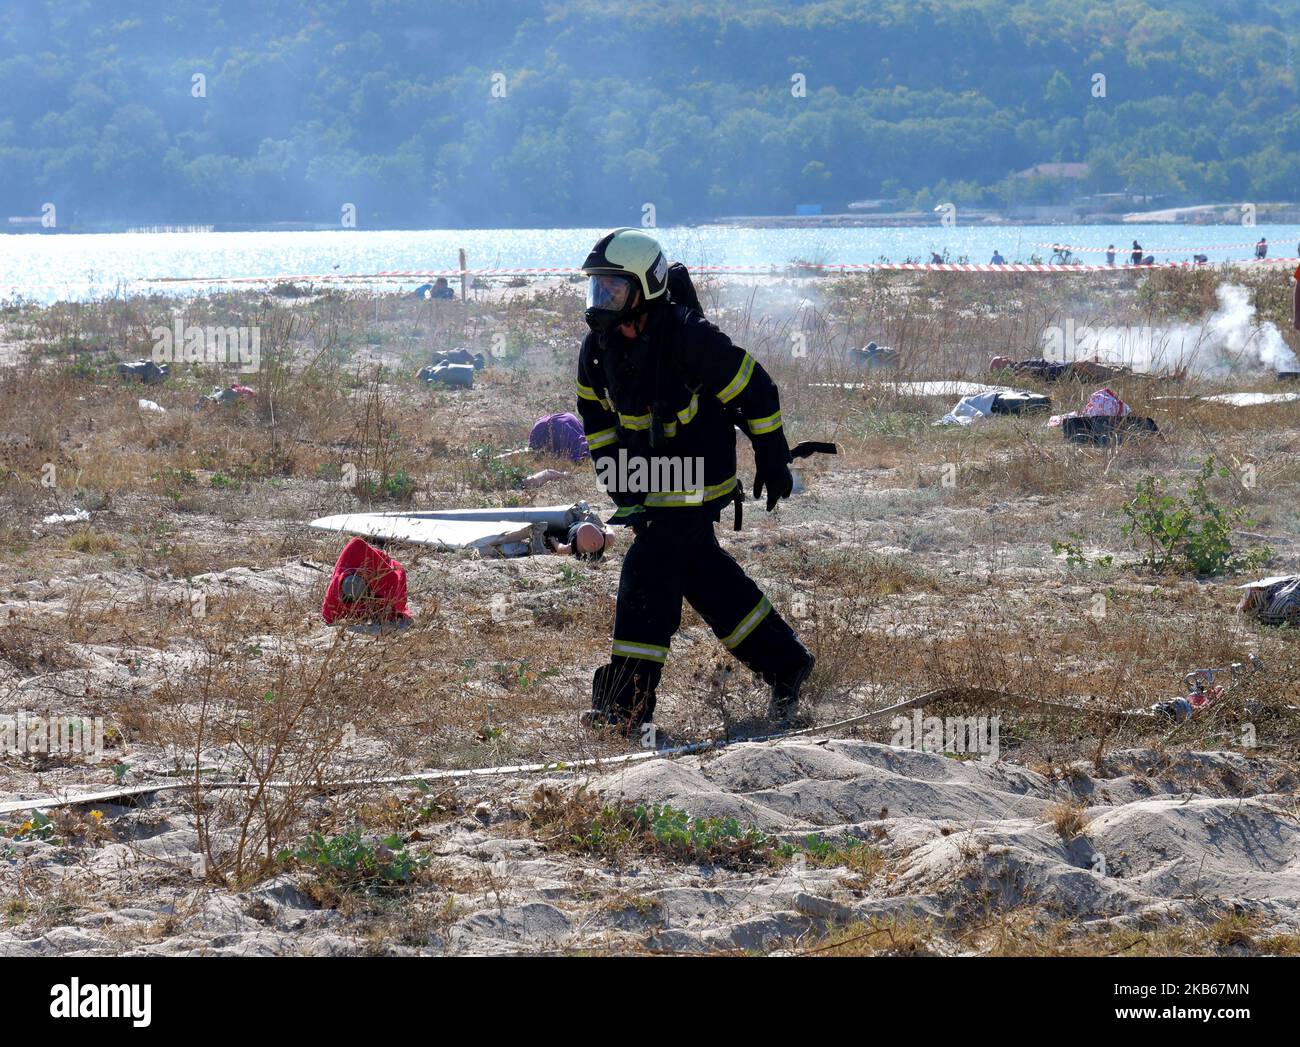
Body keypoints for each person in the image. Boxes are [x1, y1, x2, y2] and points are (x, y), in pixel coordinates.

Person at [574, 228, 814, 734]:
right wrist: (621, 485)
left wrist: (772, 458)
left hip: (700, 477)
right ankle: (786, 663)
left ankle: (625, 704)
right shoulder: (597, 350)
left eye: (613, 289)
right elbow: (596, 422)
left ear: (646, 288)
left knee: (649, 571)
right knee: (700, 572)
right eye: (597, 287)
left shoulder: (688, 337)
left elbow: (757, 389)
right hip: (651, 481)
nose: (602, 300)